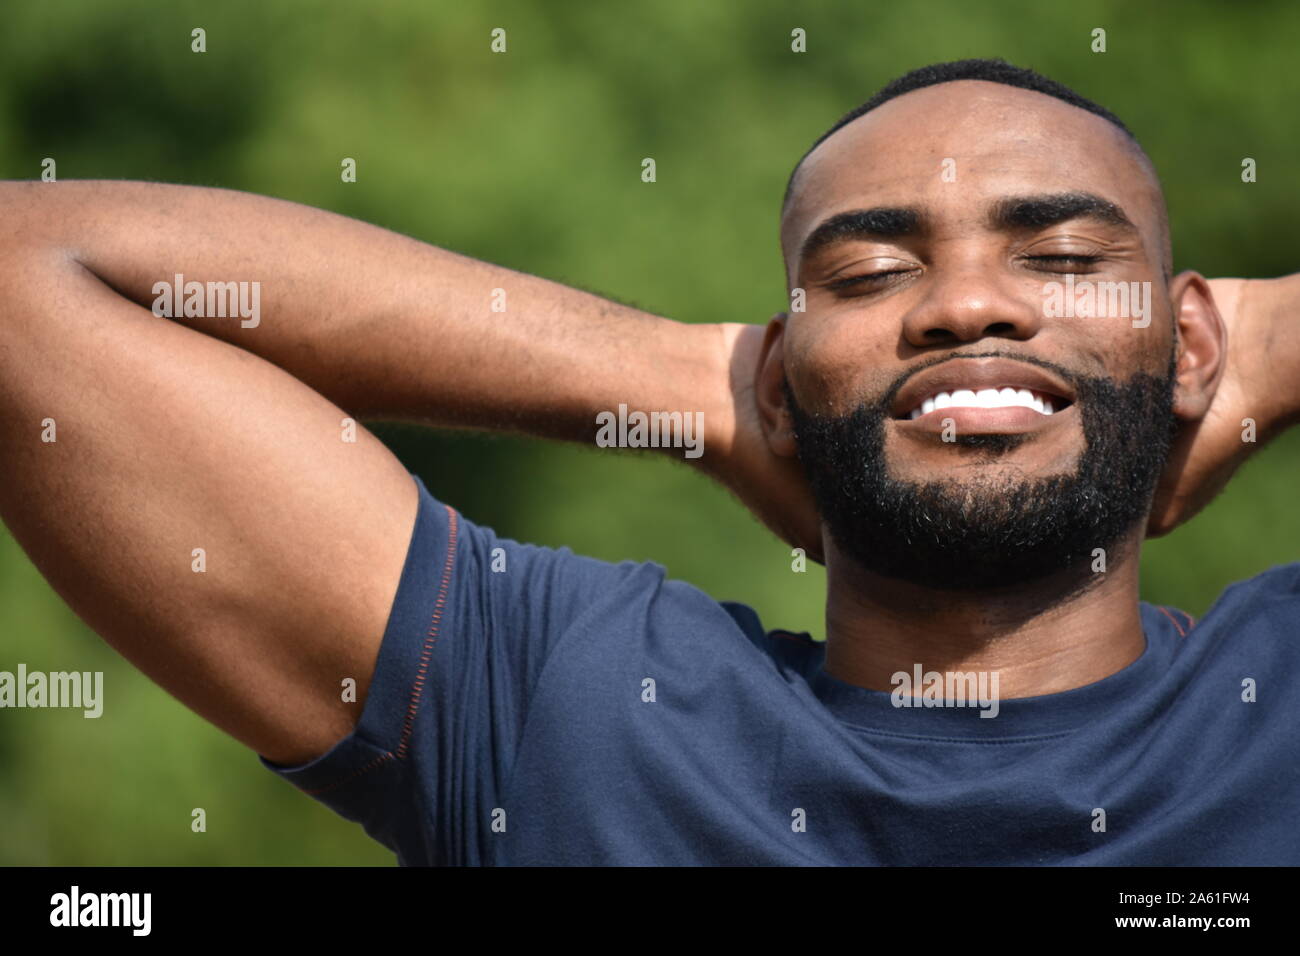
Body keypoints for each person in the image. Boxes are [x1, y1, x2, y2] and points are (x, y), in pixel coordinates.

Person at [1, 58, 1296, 865]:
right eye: (870, 273)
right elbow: (22, 276)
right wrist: (698, 387)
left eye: (1064, 259)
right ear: (788, 370)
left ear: (1191, 341)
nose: (964, 305)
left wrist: (1274, 340)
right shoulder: (576, 718)